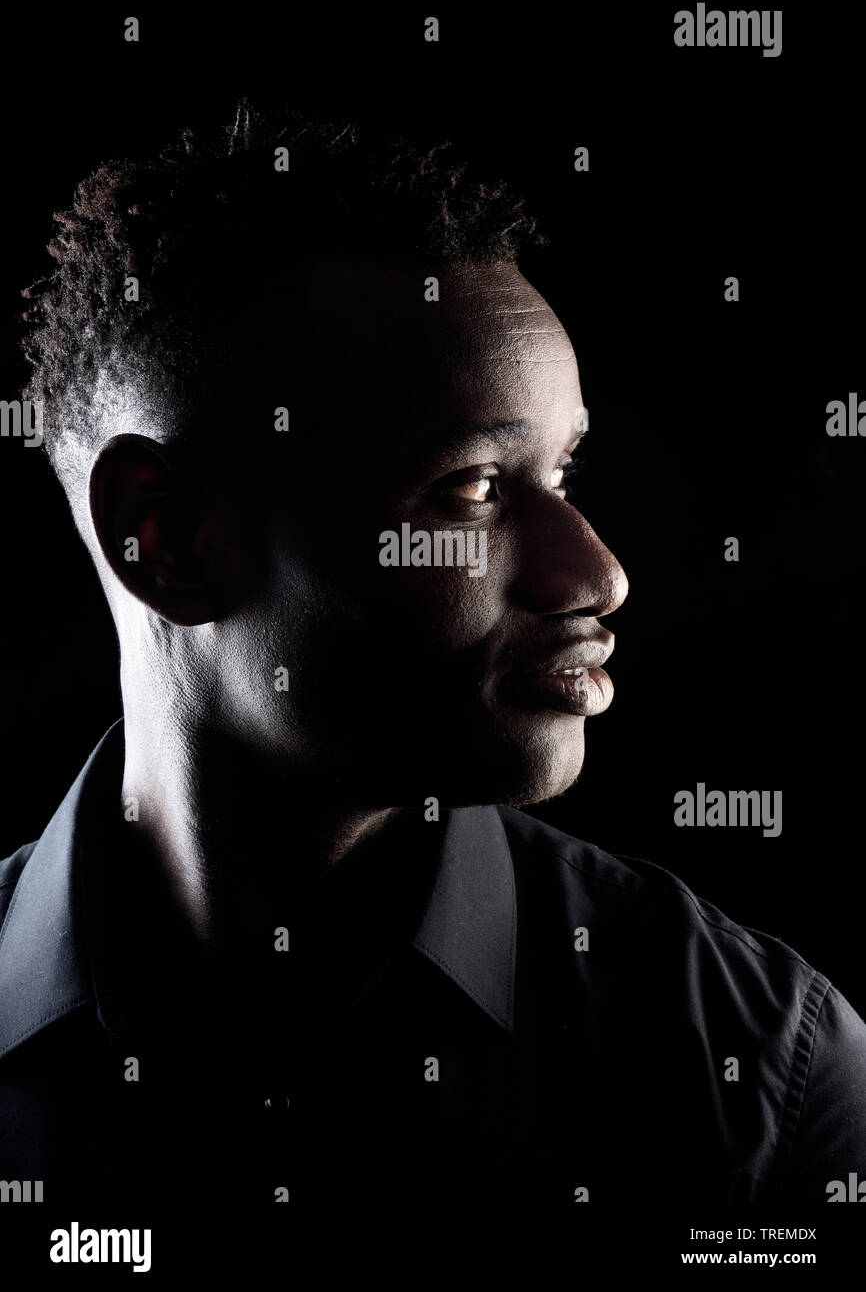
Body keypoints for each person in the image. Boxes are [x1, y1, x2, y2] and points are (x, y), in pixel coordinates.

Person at [1, 100, 864, 1225]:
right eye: (470, 488)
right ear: (166, 535)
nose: (594, 577)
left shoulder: (750, 1065)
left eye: (559, 473)